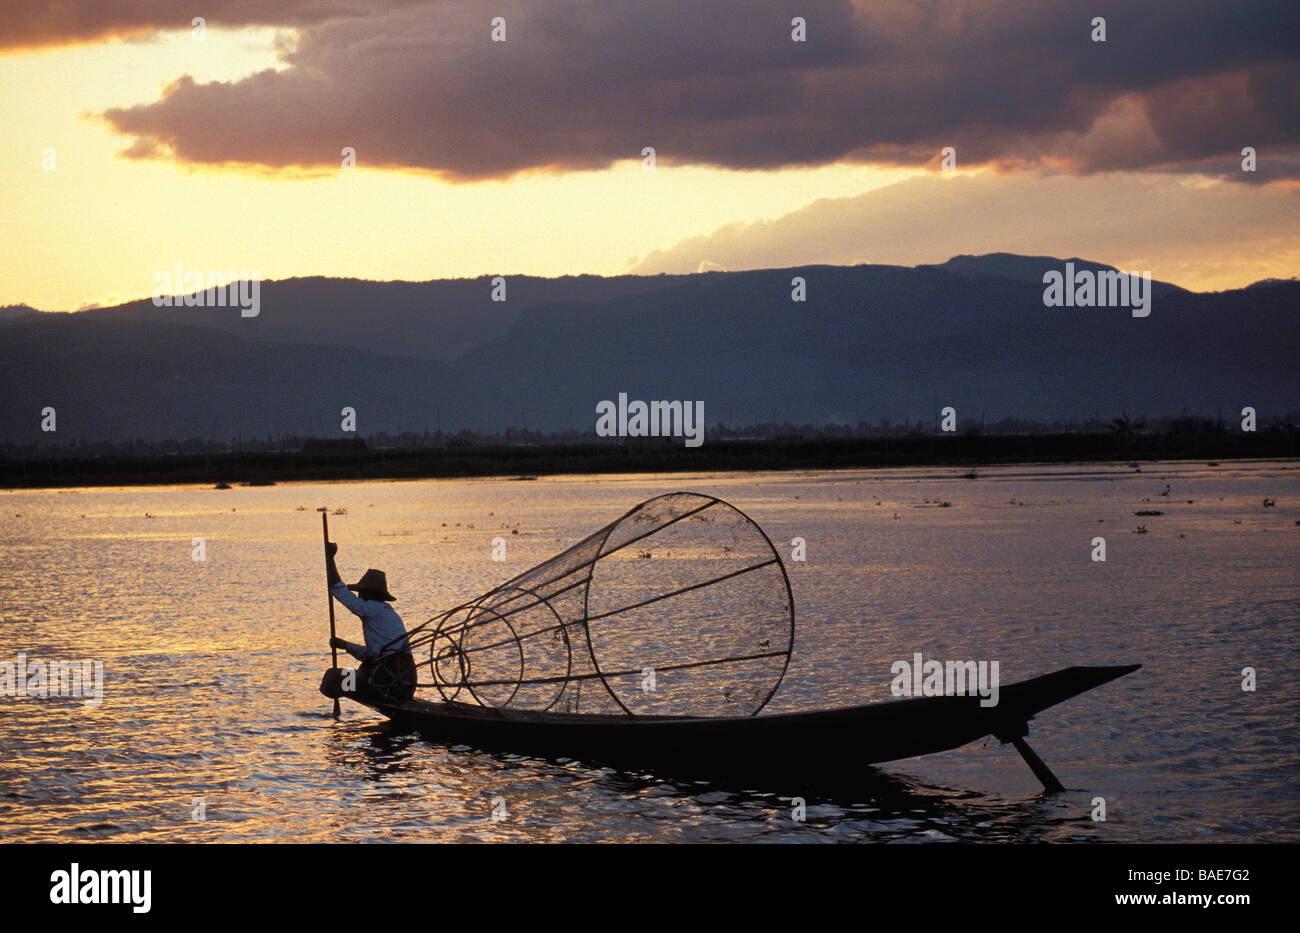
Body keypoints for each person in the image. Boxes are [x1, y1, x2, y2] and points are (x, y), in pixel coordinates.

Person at [318, 542, 417, 704]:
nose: (359, 596)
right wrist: (345, 645)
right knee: (355, 672)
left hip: (387, 680)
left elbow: (338, 590)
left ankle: (357, 691)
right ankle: (357, 689)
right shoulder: (385, 613)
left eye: (361, 593)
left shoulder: (373, 609)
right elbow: (372, 654)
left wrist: (330, 558)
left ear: (369, 594)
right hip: (401, 681)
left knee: (333, 677)